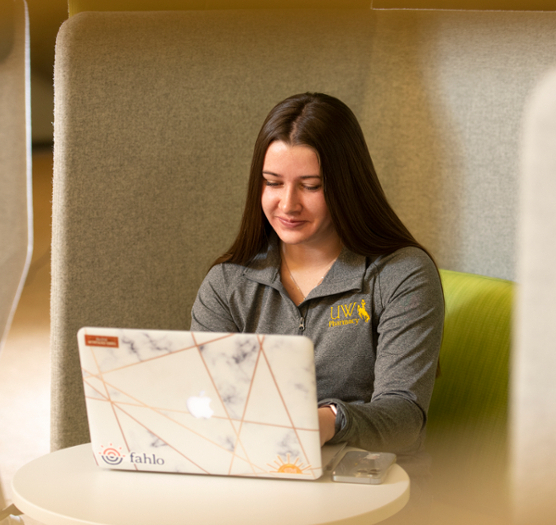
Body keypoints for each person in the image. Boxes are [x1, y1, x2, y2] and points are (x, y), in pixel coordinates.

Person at [190, 92, 444, 483]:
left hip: (370, 493)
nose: (287, 204)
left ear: (346, 186)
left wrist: (328, 420)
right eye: (273, 183)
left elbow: (405, 420)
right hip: (257, 482)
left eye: (310, 186)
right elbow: (204, 404)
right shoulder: (227, 282)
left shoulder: (402, 274)